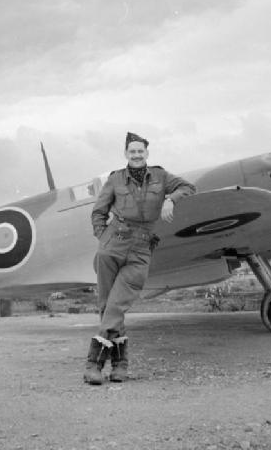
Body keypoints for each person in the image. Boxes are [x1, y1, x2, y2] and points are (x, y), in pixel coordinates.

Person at [84, 132, 196, 384]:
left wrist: (170, 199)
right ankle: (120, 366)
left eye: (140, 151)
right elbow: (98, 212)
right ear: (126, 154)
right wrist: (104, 239)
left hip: (141, 248)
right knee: (107, 305)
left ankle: (94, 364)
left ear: (146, 153)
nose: (136, 155)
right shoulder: (115, 179)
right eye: (132, 151)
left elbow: (188, 187)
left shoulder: (161, 176)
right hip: (113, 243)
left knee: (116, 305)